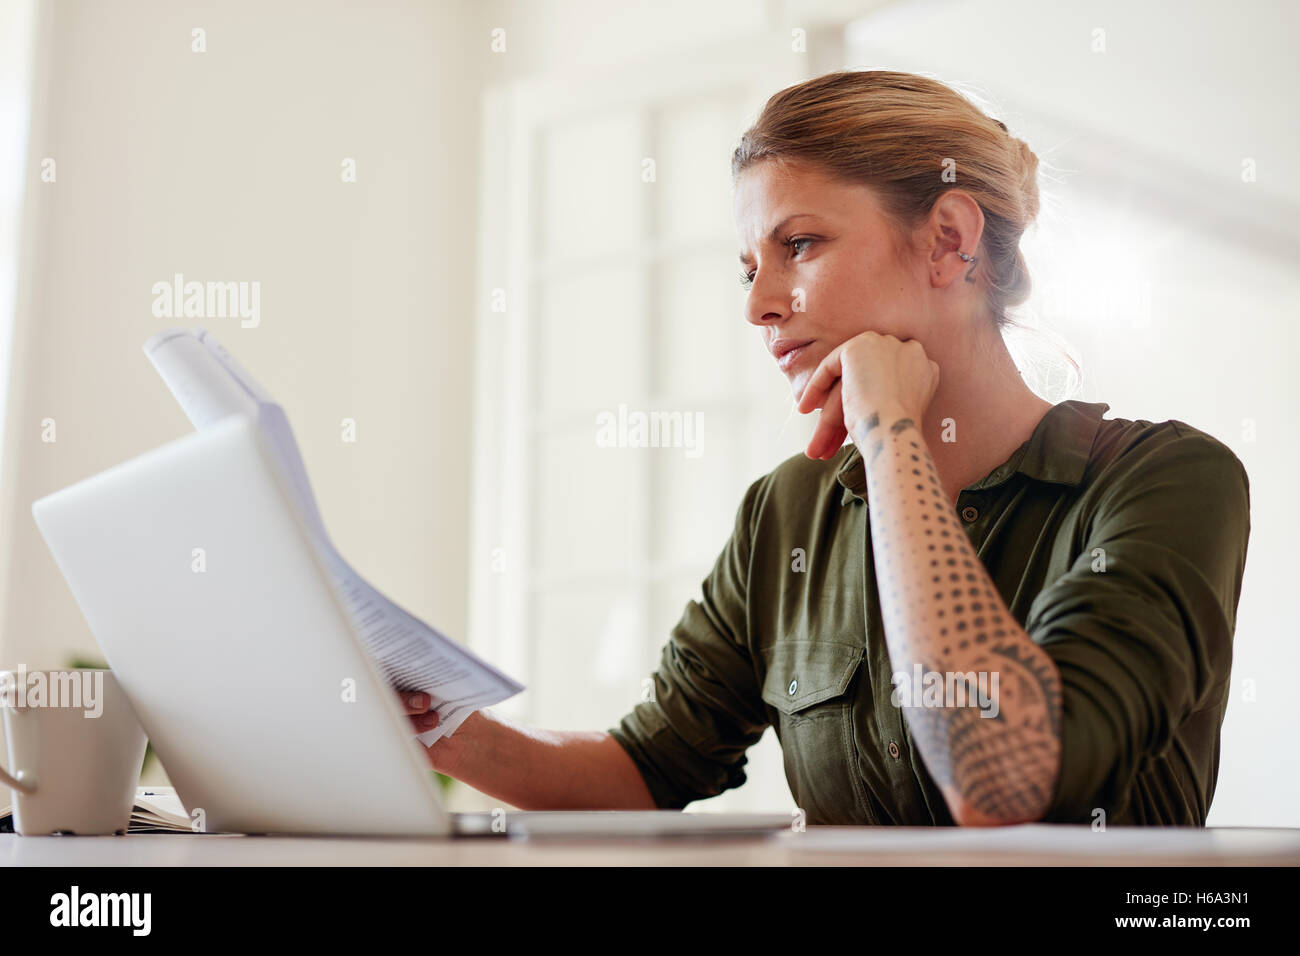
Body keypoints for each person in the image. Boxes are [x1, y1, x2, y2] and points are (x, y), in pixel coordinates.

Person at [402, 69, 1251, 826]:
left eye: (798, 245)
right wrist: (433, 723)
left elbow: (1005, 780)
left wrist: (890, 433)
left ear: (950, 239)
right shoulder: (788, 511)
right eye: (748, 268)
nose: (760, 304)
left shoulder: (1169, 480)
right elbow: (648, 767)